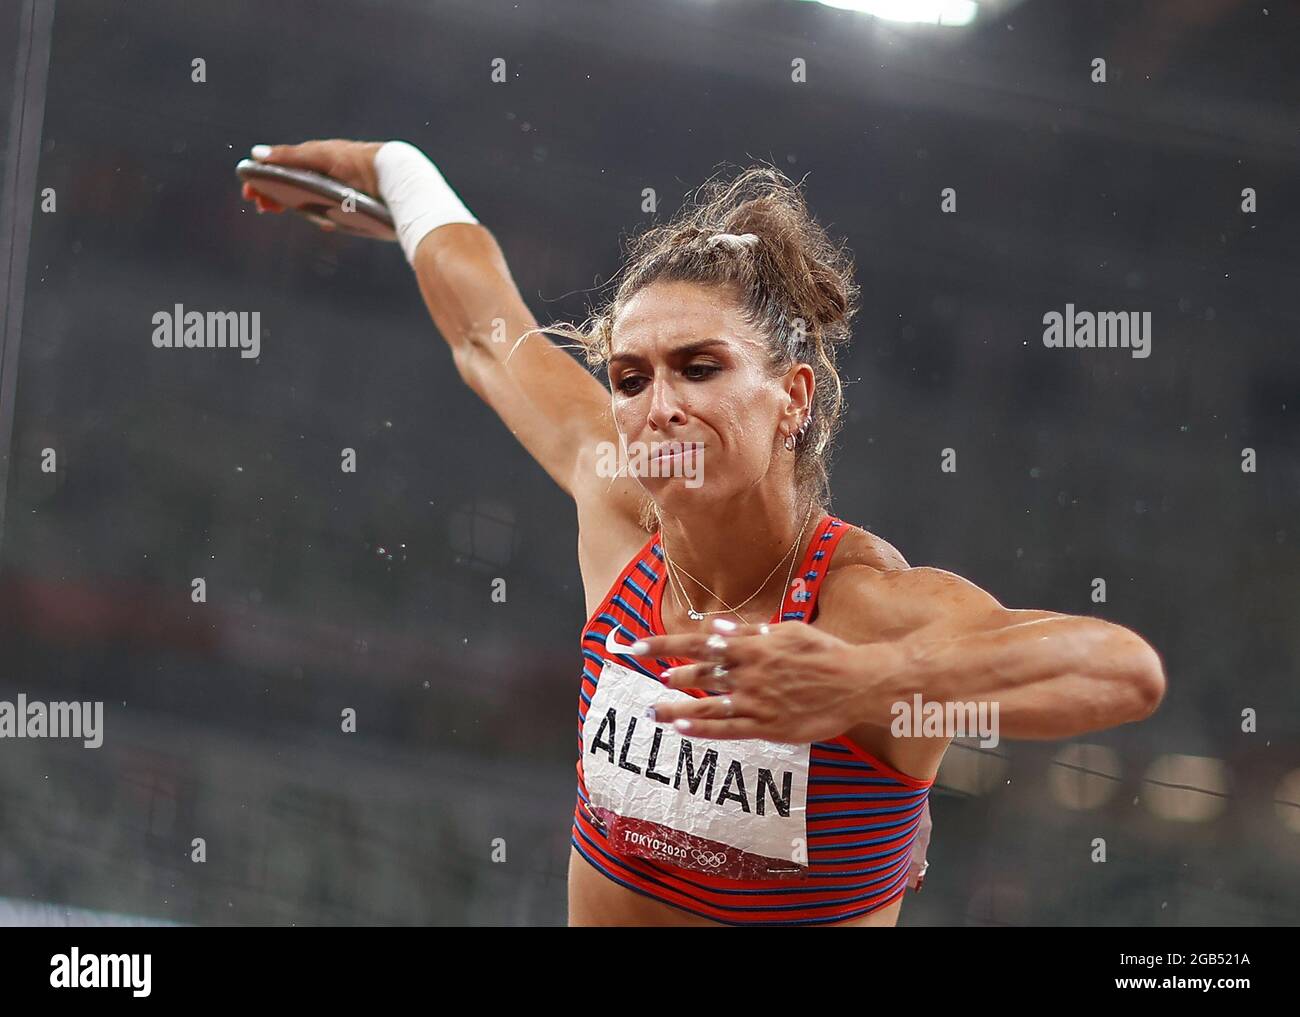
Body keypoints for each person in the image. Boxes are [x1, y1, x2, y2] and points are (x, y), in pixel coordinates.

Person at [241, 140, 1166, 926]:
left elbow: (1122, 671)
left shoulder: (864, 610)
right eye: (632, 377)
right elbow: (492, 335)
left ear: (792, 397)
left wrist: (873, 680)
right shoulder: (613, 500)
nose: (658, 407)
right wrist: (400, 173)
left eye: (699, 367)